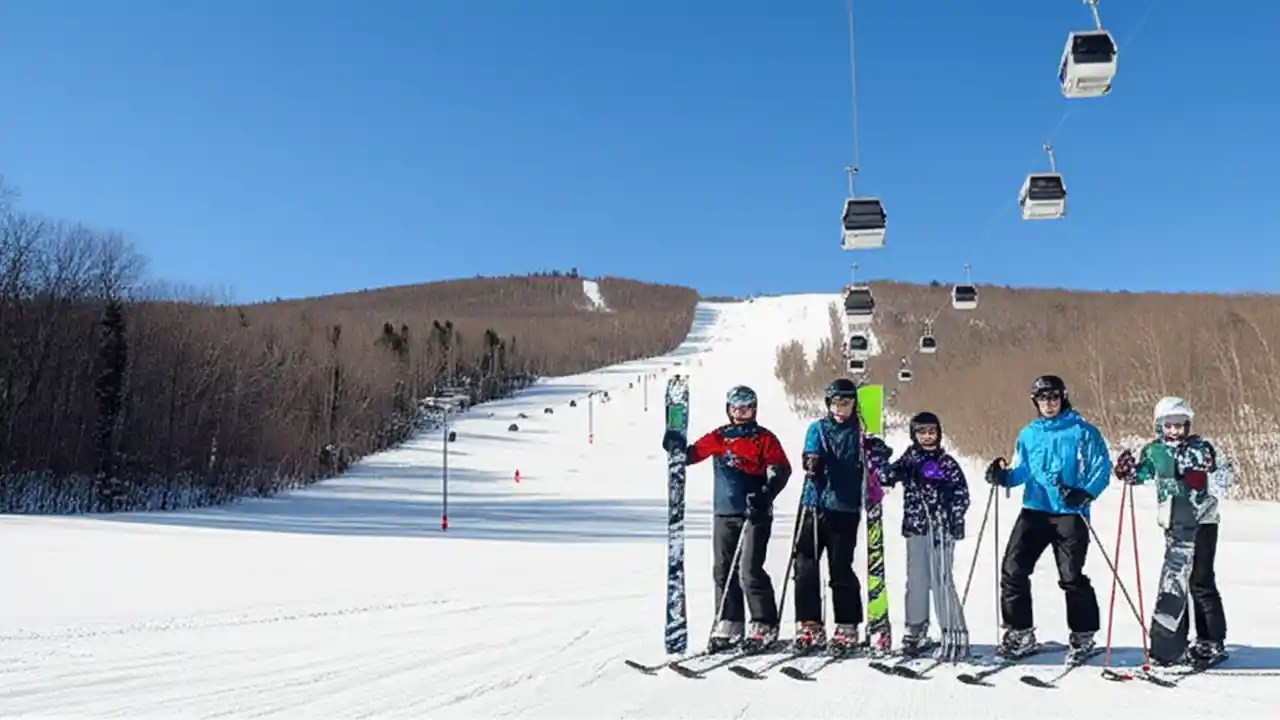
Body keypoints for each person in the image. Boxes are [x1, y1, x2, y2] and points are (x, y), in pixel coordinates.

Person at [984, 374, 1113, 660]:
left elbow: (1102, 467)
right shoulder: (1029, 433)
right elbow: (1022, 471)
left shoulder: (1083, 431)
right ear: (1035, 402)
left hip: (1070, 513)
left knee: (1071, 575)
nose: (1049, 403)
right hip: (1034, 510)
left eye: (1054, 397)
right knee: (1013, 569)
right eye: (1043, 398)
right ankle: (1020, 632)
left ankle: (1083, 634)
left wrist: (1085, 493)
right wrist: (1002, 477)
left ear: (1063, 397)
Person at [662, 385, 792, 652]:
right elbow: (691, 455)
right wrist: (675, 445)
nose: (740, 413)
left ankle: (763, 622)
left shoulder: (763, 438)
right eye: (735, 408)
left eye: (745, 408)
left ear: (754, 409)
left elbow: (781, 470)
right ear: (728, 410)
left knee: (749, 570)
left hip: (754, 513)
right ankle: (730, 622)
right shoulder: (720, 437)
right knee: (723, 570)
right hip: (724, 512)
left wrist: (766, 495)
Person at [1114, 396, 1233, 667]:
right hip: (1173, 522)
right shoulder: (1155, 450)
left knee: (1200, 580)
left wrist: (1206, 475)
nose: (1175, 431)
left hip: (1202, 521)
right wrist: (1126, 471)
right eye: (1169, 425)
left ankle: (1211, 640)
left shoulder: (1201, 448)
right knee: (1175, 582)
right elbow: (1140, 475)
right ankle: (1171, 645)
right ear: (1159, 426)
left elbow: (1226, 477)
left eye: (1180, 425)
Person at [792, 378, 892, 654]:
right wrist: (811, 461)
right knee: (805, 565)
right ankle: (810, 623)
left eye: (845, 403)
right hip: (813, 504)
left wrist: (880, 458)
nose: (839, 408)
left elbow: (875, 458)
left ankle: (847, 624)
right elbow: (810, 450)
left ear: (853, 405)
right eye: (835, 403)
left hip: (844, 507)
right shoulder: (818, 429)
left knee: (840, 567)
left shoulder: (860, 432)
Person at [882, 411, 971, 659]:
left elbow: (961, 494)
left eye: (931, 431)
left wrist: (953, 515)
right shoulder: (909, 460)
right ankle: (916, 628)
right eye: (921, 432)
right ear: (914, 435)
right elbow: (887, 477)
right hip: (916, 527)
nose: (927, 437)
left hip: (940, 528)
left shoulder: (946, 462)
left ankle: (952, 627)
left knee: (941, 579)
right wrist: (880, 460)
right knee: (917, 579)